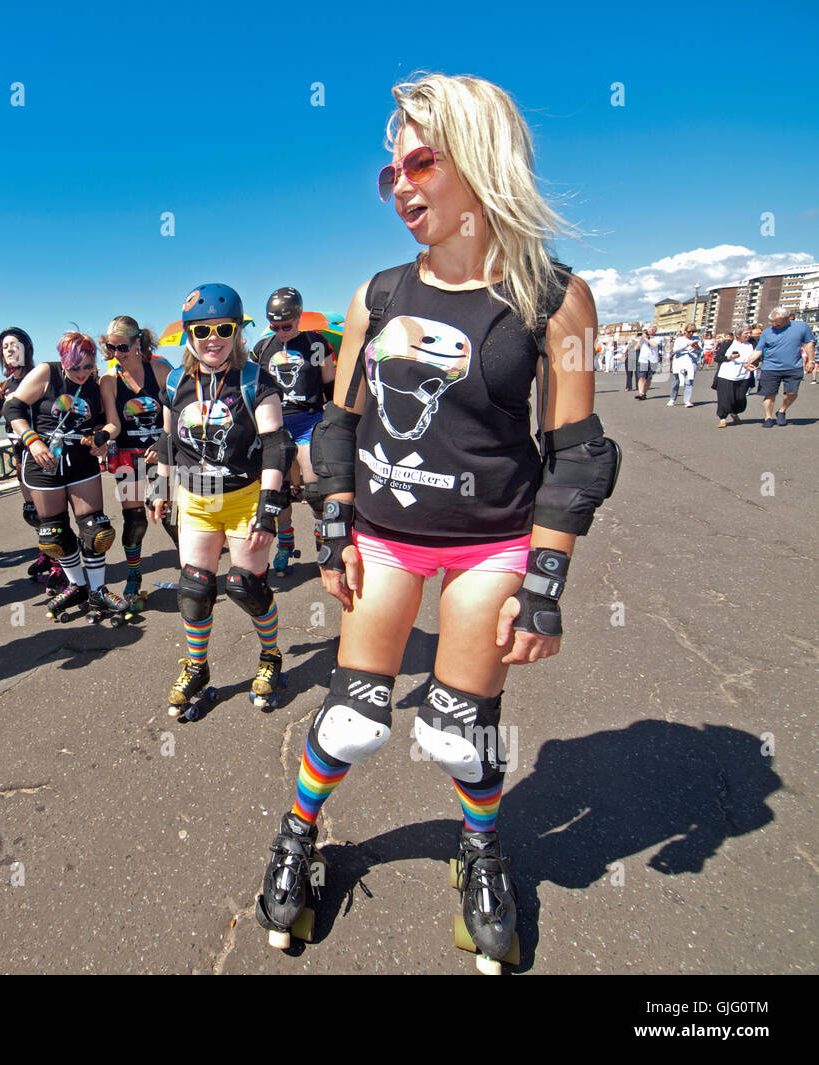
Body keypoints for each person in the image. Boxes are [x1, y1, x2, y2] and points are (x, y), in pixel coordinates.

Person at [252, 74, 619, 971]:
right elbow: (338, 424)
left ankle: (483, 848)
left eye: (421, 162)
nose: (402, 187)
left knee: (459, 725)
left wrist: (544, 584)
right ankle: (298, 834)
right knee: (350, 721)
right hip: (382, 530)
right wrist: (333, 525)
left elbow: (575, 451)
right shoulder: (374, 297)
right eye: (391, 174)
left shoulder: (556, 299)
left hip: (494, 538)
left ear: (482, 162)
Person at [147, 283, 290, 711]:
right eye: (203, 330)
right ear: (189, 334)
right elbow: (169, 441)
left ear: (237, 332)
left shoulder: (253, 378)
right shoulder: (176, 381)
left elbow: (277, 445)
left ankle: (270, 656)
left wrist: (269, 510)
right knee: (193, 588)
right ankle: (197, 666)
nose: (214, 338)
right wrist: (158, 489)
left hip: (245, 496)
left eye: (224, 329)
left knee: (246, 587)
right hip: (197, 498)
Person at [3, 331, 127, 619]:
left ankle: (98, 590)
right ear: (63, 362)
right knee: (54, 534)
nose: (82, 373)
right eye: (75, 368)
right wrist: (31, 440)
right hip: (43, 461)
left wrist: (102, 438)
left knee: (96, 530)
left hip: (81, 460)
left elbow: (112, 424)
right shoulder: (47, 373)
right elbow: (13, 408)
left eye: (88, 366)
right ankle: (77, 585)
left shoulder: (97, 384)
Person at [249, 287, 337, 575]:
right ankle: (285, 545)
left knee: (315, 492)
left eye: (286, 326)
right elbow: (252, 393)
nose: (281, 332)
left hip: (309, 422)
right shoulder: (262, 349)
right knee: (281, 493)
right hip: (275, 426)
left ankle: (324, 545)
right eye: (274, 326)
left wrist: (338, 423)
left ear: (299, 316)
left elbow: (330, 387)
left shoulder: (315, 343)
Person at [98, 315, 173, 606]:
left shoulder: (159, 368)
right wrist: (102, 437)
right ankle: (133, 574)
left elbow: (177, 410)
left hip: (161, 452)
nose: (117, 353)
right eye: (111, 347)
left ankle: (195, 569)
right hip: (128, 458)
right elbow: (114, 424)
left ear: (138, 342)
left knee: (169, 512)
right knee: (135, 520)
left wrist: (163, 442)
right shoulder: (109, 380)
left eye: (123, 347)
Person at [0, 328, 54, 585]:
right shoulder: (5, 384)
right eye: (4, 347)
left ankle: (60, 559)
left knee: (50, 514)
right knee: (32, 512)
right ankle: (47, 551)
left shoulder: (37, 377)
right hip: (19, 456)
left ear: (27, 348)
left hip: (40, 452)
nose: (9, 350)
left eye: (15, 345)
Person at [746, 307, 816, 427]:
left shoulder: (801, 326)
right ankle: (768, 417)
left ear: (787, 318)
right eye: (772, 322)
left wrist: (811, 361)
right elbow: (758, 350)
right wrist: (748, 362)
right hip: (770, 367)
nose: (774, 324)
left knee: (792, 393)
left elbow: (809, 343)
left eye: (777, 322)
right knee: (769, 394)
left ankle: (782, 411)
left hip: (793, 366)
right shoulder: (768, 332)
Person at [713, 327, 755, 427]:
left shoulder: (751, 344)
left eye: (750, 333)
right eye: (746, 333)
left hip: (744, 376)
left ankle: (734, 413)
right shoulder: (728, 344)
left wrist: (753, 364)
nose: (749, 335)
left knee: (740, 399)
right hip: (726, 375)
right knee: (725, 398)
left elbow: (757, 357)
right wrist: (729, 357)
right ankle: (722, 418)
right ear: (738, 335)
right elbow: (717, 357)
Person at [667, 323, 700, 408]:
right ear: (685, 331)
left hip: (692, 361)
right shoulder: (679, 339)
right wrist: (687, 345)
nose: (691, 333)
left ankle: (687, 400)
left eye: (693, 331)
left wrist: (697, 347)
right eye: (689, 331)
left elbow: (700, 351)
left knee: (689, 380)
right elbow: (675, 350)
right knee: (676, 381)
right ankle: (672, 398)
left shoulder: (697, 339)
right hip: (679, 361)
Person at [634, 325, 659, 398]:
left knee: (648, 378)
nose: (648, 331)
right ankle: (640, 393)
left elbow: (654, 345)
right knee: (641, 377)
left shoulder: (657, 338)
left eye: (650, 330)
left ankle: (644, 393)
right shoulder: (643, 339)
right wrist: (641, 339)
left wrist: (647, 339)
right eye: (648, 330)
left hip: (652, 360)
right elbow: (636, 348)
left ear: (654, 331)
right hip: (643, 360)